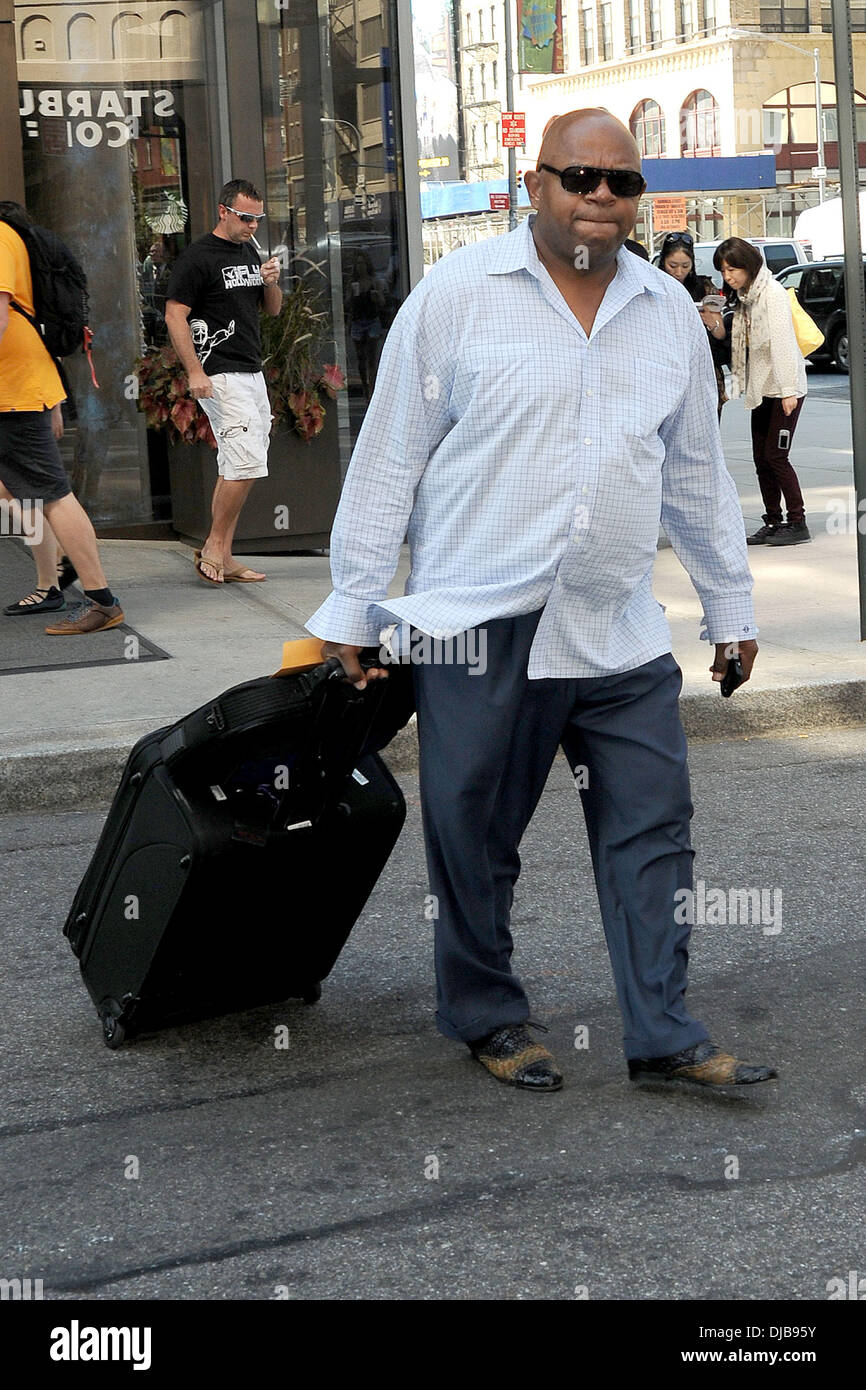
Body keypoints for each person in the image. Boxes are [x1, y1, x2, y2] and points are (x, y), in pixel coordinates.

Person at [306, 109, 777, 1094]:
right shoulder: (456, 297)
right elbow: (389, 455)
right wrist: (352, 606)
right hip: (475, 626)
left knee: (652, 828)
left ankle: (661, 1031)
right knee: (472, 832)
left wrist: (727, 605)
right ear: (535, 186)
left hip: (614, 627)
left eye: (621, 183)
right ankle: (485, 1011)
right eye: (578, 177)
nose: (600, 197)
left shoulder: (664, 316)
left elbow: (692, 479)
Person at [0, 202, 123, 635]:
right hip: (16, 384)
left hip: (13, 388)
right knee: (17, 490)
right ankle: (51, 581)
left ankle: (101, 600)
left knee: (51, 493)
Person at [164, 178, 282, 584]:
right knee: (246, 461)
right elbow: (174, 314)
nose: (252, 225)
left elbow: (273, 310)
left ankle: (224, 553)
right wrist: (195, 371)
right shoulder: (198, 257)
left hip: (250, 368)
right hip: (220, 371)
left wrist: (270, 281)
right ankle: (215, 546)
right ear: (223, 210)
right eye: (245, 217)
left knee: (238, 461)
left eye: (257, 218)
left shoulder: (249, 250)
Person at [714, 236, 810, 547]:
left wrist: (788, 390)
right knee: (760, 458)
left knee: (776, 456)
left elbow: (783, 345)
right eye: (724, 271)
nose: (728, 276)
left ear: (748, 265)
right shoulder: (745, 297)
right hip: (762, 389)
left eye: (732, 269)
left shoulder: (772, 294)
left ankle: (798, 521)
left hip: (785, 388)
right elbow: (741, 348)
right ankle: (773, 520)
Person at [658, 230, 730, 418]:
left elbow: (721, 334)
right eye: (672, 265)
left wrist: (711, 322)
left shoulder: (704, 288)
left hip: (703, 371)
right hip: (665, 372)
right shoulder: (653, 286)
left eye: (685, 266)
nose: (679, 272)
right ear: (663, 261)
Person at [345, 251, 385, 402]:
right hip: (357, 321)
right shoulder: (352, 283)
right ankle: (364, 387)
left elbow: (382, 303)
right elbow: (347, 305)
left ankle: (372, 389)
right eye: (358, 264)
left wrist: (376, 297)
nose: (360, 267)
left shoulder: (374, 281)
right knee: (361, 357)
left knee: (372, 357)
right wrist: (352, 296)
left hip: (371, 320)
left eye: (362, 263)